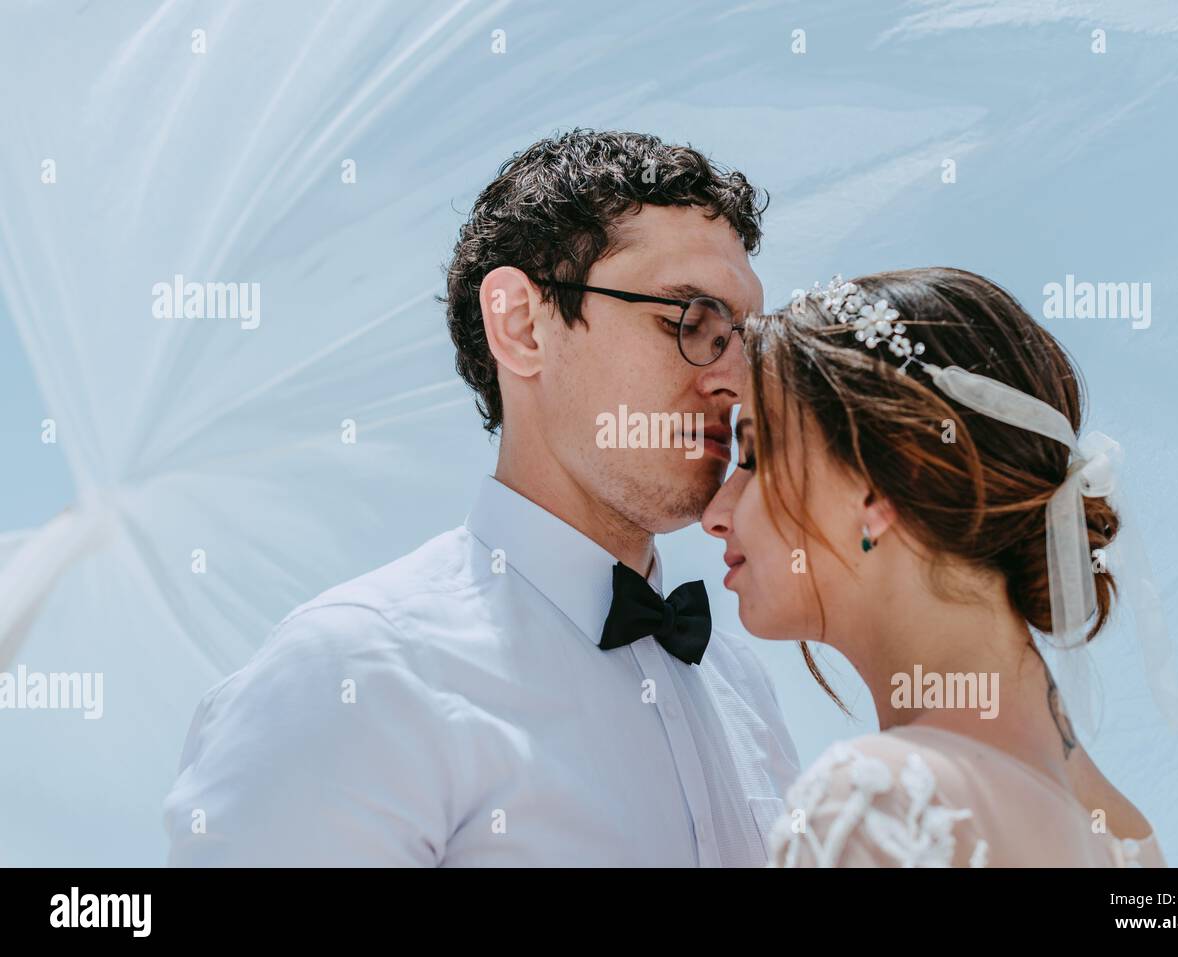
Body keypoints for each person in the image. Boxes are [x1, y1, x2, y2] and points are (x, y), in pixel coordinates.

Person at [162, 129, 801, 866]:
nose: (735, 378)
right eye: (687, 321)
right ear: (522, 325)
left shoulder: (742, 683)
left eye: (745, 339)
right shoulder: (357, 672)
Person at [702, 267, 1170, 867]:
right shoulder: (1126, 835)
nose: (715, 512)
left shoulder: (877, 807)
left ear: (881, 487)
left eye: (755, 455)